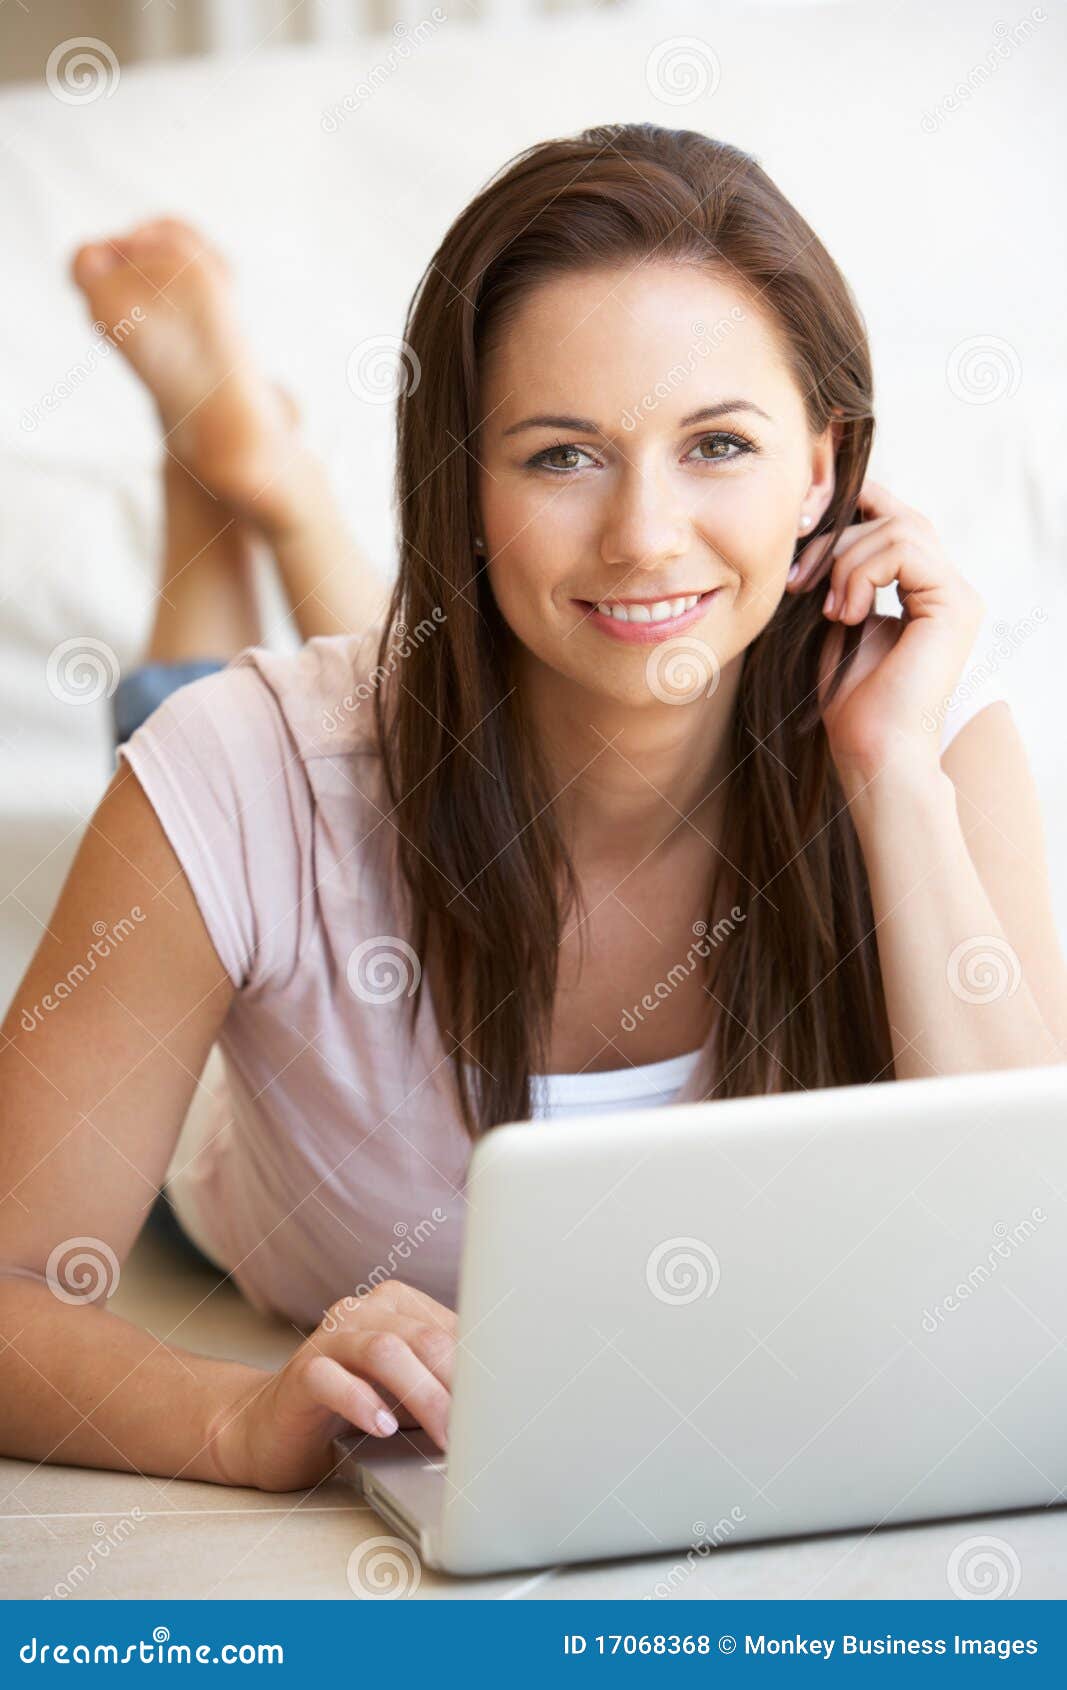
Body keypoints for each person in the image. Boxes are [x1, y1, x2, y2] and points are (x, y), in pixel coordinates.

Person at [2, 125, 1064, 1496]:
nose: (646, 534)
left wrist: (891, 777)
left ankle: (259, 470)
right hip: (233, 1168)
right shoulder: (243, 772)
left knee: (455, 681)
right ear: (460, 479)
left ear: (824, 469)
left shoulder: (927, 745)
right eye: (562, 456)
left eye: (719, 444)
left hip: (463, 700)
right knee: (213, 718)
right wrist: (238, 1419)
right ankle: (221, 470)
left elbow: (1035, 1281)